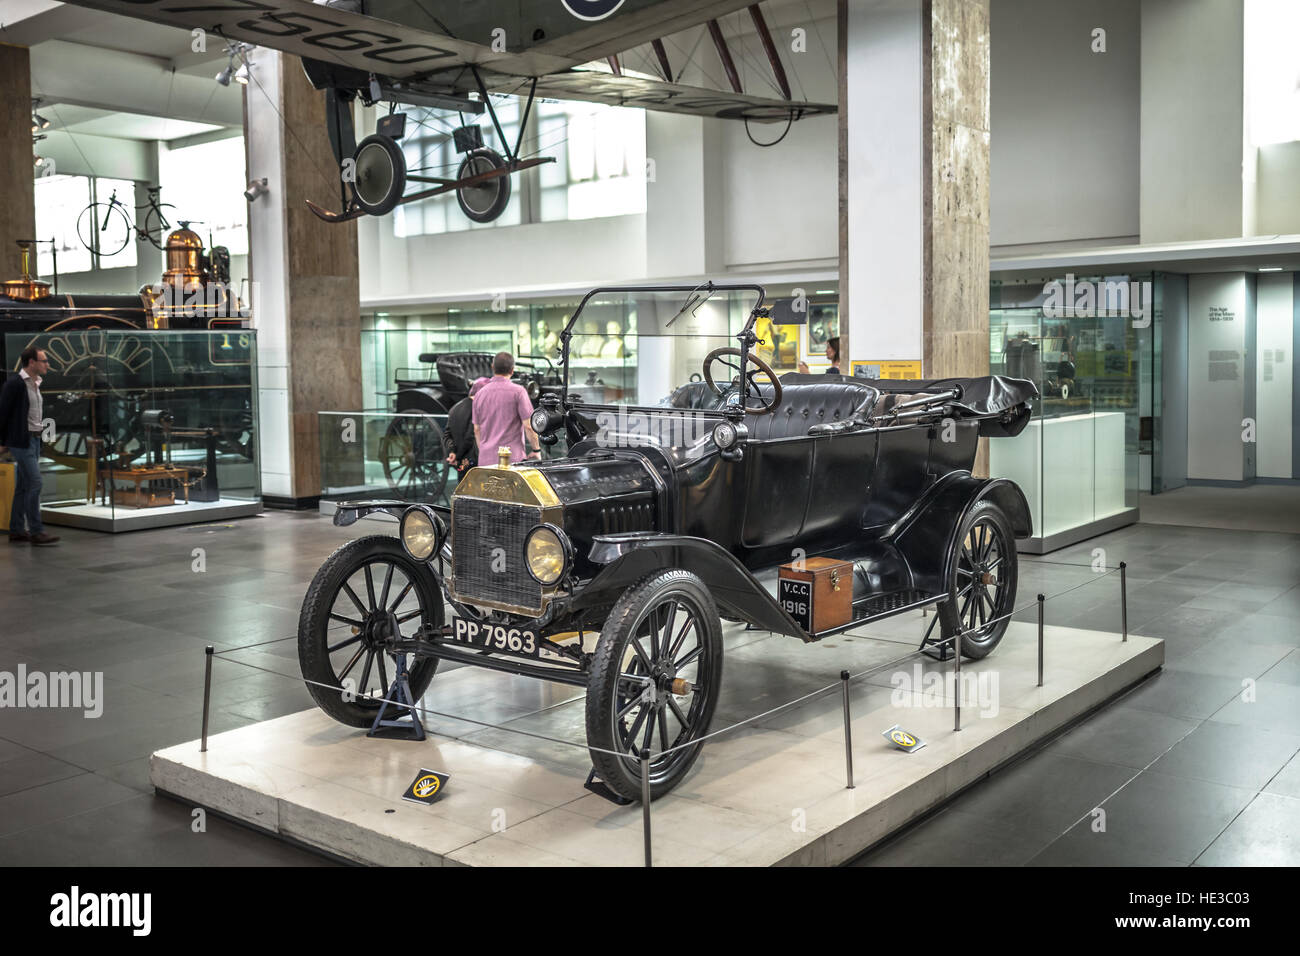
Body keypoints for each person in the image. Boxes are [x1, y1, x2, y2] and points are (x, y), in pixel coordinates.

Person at [0, 346, 60, 545]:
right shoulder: (15, 384)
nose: (47, 364)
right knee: (36, 482)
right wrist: (2, 442)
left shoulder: (36, 383)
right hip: (21, 441)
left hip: (34, 439)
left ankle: (17, 529)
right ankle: (36, 531)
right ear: (31, 362)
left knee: (23, 486)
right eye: (44, 361)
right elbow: (3, 414)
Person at [472, 352, 541, 464]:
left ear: (492, 367)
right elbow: (528, 426)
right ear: (512, 370)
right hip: (512, 461)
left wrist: (486, 453)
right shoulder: (519, 392)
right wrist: (536, 450)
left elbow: (476, 430)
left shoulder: (479, 394)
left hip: (486, 461)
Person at [444, 377, 486, 474]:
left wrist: (452, 452)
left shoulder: (455, 408)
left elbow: (447, 435)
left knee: (462, 485)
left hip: (461, 464)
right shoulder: (476, 409)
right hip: (472, 462)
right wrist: (458, 456)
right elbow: (470, 436)